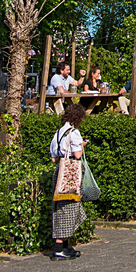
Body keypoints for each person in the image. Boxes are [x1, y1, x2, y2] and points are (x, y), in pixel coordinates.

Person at [49, 103, 88, 261]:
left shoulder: (58, 133)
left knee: (60, 209)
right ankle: (59, 249)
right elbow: (77, 155)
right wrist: (82, 145)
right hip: (70, 175)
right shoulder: (75, 132)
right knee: (70, 209)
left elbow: (54, 158)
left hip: (59, 172)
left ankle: (65, 246)